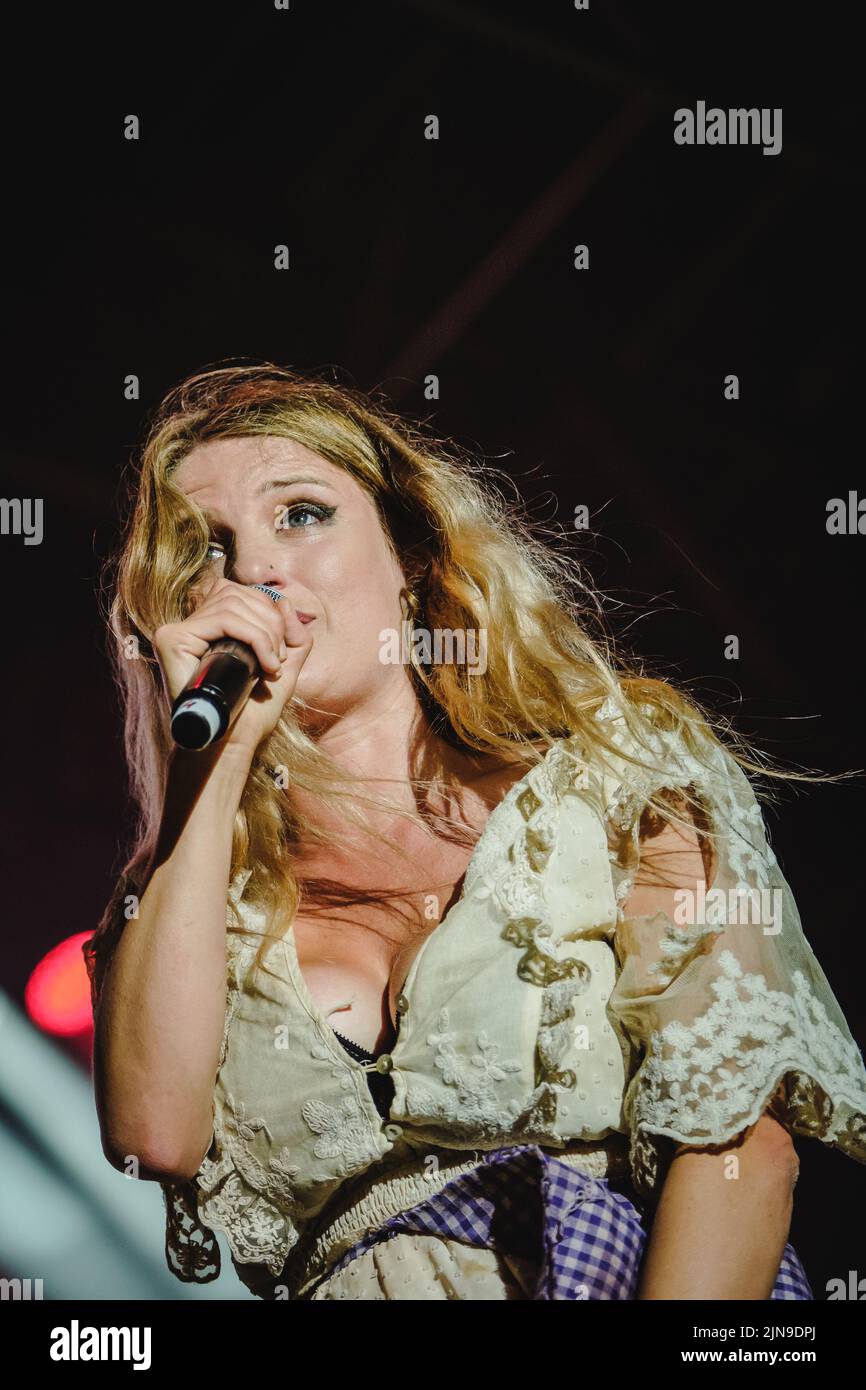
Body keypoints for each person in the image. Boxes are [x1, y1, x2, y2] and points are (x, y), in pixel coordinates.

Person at [84, 362, 866, 1300]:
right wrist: (209, 774)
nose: (255, 569)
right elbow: (152, 1136)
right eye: (209, 549)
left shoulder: (615, 775)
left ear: (409, 553)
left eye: (300, 513)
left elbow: (738, 1141)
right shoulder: (184, 895)